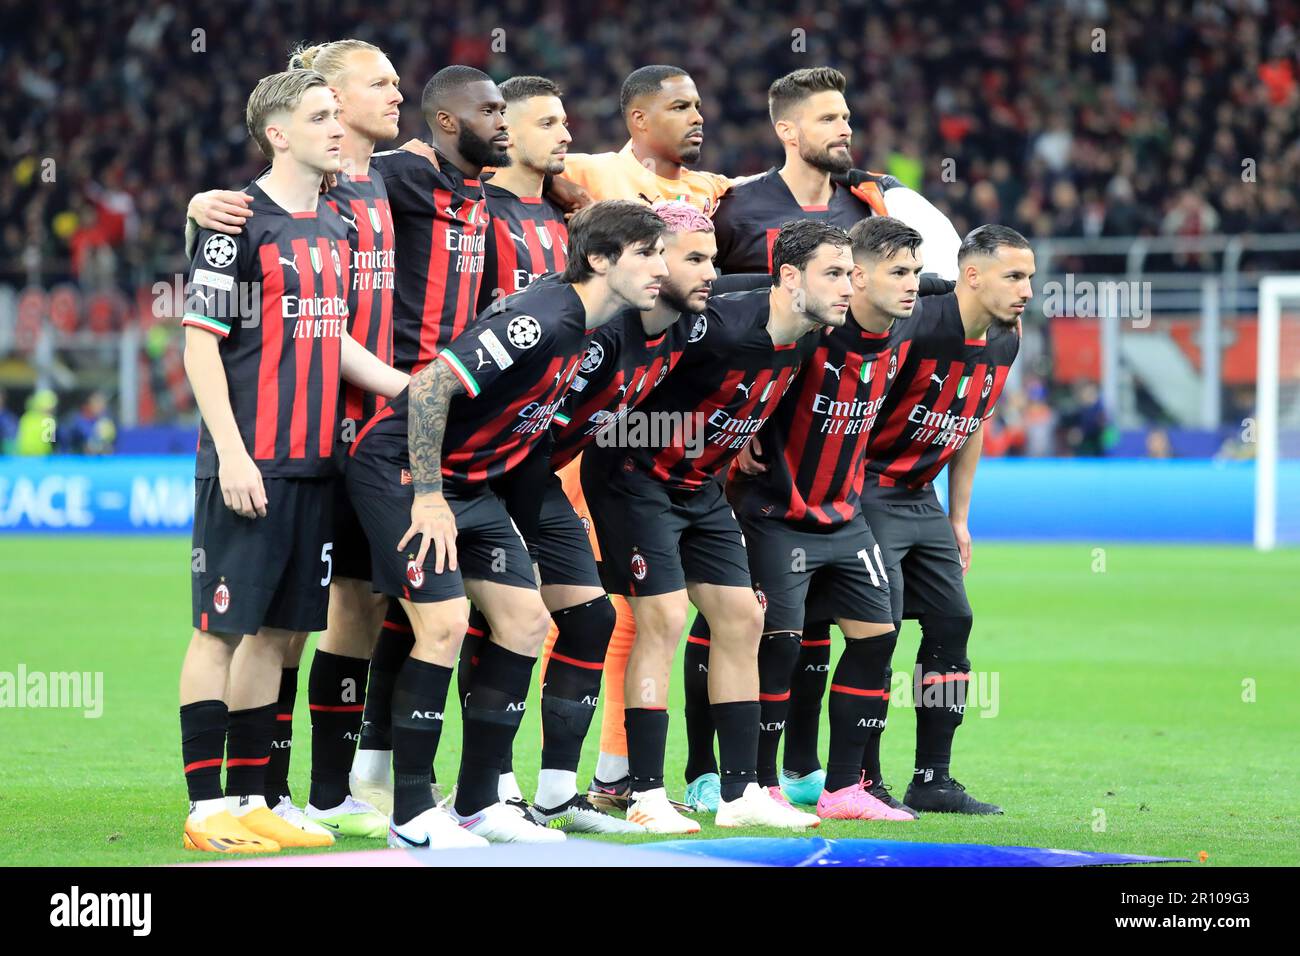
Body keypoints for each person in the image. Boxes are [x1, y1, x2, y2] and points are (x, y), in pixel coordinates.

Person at [345, 200, 667, 846]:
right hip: (405, 472)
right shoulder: (540, 319)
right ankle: (409, 815)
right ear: (601, 260)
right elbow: (432, 387)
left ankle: (476, 803)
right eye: (646, 253)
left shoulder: (589, 330)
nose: (659, 268)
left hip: (475, 484)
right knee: (441, 626)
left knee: (526, 624)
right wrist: (429, 495)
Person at [178, 68, 407, 854]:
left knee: (275, 638)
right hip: (251, 464)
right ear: (278, 133)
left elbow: (329, 339)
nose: (338, 128)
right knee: (220, 632)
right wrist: (234, 455)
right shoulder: (232, 223)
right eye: (321, 117)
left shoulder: (336, 227)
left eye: (338, 115)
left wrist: (413, 387)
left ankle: (248, 795)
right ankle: (204, 807)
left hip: (317, 464)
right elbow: (198, 344)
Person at [580, 219, 853, 833]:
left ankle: (739, 793)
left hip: (699, 487)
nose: (847, 289)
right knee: (665, 618)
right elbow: (628, 350)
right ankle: (644, 793)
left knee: (742, 617)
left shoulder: (806, 337)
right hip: (635, 479)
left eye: (849, 274)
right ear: (789, 278)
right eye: (834, 274)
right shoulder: (712, 328)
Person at [851, 224, 1031, 814]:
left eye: (1029, 277)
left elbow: (974, 419)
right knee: (879, 633)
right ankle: (860, 779)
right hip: (868, 487)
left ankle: (932, 779)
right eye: (1014, 276)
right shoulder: (917, 323)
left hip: (921, 497)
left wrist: (960, 518)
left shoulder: (1006, 340)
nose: (1026, 289)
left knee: (953, 623)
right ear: (972, 276)